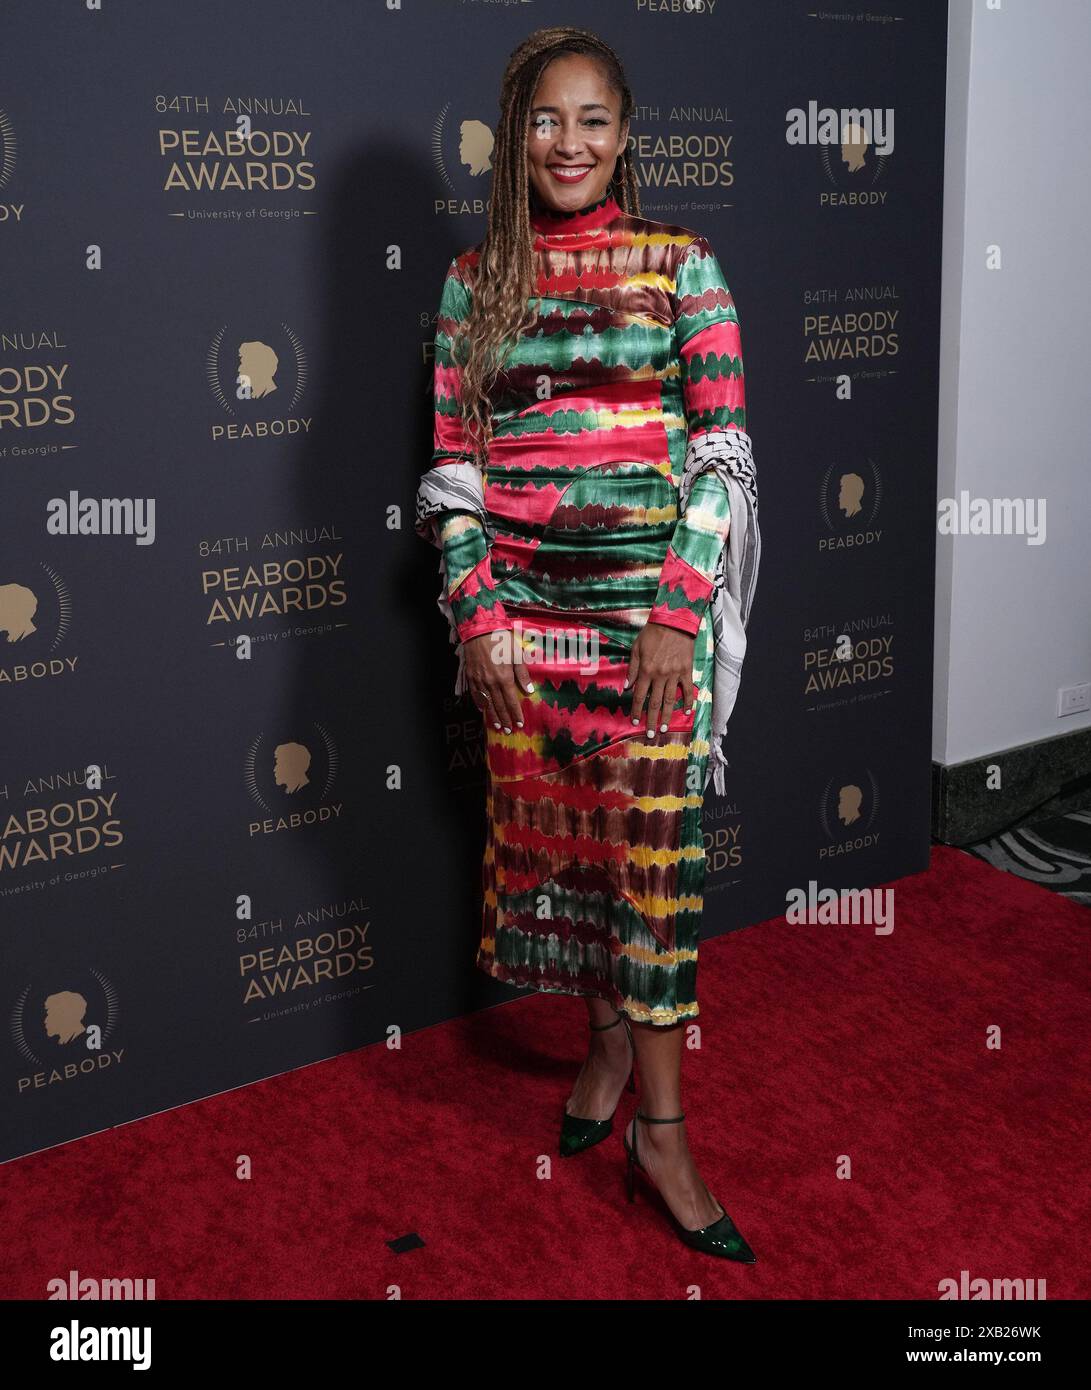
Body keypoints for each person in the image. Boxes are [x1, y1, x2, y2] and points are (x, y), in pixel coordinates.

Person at [414, 26, 760, 1262]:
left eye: (593, 121)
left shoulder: (682, 269)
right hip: (527, 642)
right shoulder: (473, 285)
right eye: (546, 122)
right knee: (569, 869)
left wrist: (677, 611)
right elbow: (455, 475)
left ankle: (661, 1135)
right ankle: (604, 1044)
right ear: (517, 140)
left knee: (654, 884)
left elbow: (719, 459)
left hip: (645, 642)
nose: (570, 143)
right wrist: (478, 619)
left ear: (625, 136)